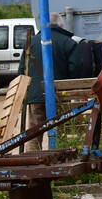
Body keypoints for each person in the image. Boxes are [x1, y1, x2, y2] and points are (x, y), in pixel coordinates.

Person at [19, 14, 79, 151]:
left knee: (34, 133)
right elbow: (76, 69)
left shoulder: (31, 42)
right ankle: (61, 158)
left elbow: (22, 70)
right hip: (60, 96)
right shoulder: (68, 42)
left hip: (36, 96)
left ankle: (31, 162)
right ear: (61, 26)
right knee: (61, 130)